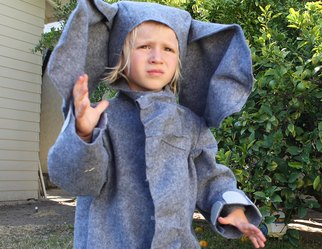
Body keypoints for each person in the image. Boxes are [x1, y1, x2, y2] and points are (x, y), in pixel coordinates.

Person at [46, 1, 266, 248]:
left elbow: (211, 178)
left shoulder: (190, 125)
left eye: (169, 49)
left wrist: (233, 208)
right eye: (144, 46)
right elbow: (77, 181)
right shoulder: (103, 120)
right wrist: (84, 136)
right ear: (120, 54)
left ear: (180, 59)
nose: (157, 58)